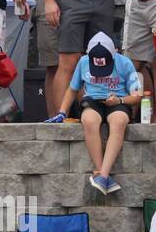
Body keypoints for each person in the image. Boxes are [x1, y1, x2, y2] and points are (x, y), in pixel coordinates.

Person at [47, 32, 142, 194]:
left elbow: (137, 96)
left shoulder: (125, 63)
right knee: (89, 120)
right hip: (92, 101)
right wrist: (62, 112)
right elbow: (72, 89)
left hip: (118, 100)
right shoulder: (83, 62)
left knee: (118, 121)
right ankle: (101, 173)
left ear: (115, 53)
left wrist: (119, 101)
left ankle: (103, 174)